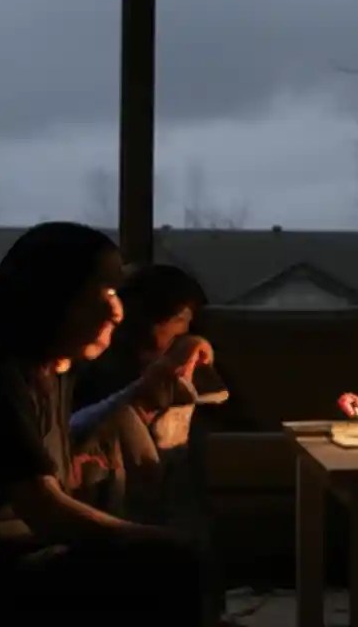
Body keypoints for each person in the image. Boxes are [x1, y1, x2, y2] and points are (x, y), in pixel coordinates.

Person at [0, 222, 206, 626]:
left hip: (24, 550)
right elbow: (44, 508)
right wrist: (146, 539)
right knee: (169, 562)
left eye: (116, 292)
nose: (115, 310)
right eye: (101, 292)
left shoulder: (52, 369)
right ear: (52, 295)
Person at [73, 263, 228, 619]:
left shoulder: (190, 353)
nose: (180, 329)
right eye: (174, 319)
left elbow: (223, 403)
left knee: (189, 492)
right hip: (114, 479)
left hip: (173, 470)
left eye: (185, 320)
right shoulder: (103, 364)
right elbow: (91, 426)